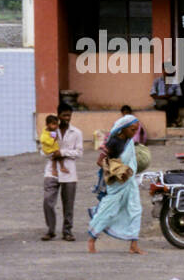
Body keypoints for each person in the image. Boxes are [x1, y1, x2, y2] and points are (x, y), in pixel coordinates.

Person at [87, 113, 144, 255]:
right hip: (117, 185)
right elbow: (100, 161)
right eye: (132, 129)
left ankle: (134, 245)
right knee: (108, 211)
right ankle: (92, 238)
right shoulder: (113, 143)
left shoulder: (129, 142)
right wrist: (116, 170)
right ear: (123, 128)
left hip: (130, 182)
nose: (134, 133)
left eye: (136, 130)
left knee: (135, 210)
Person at [42, 104, 82, 242]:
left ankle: (67, 231)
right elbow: (43, 150)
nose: (67, 118)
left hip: (69, 172)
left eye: (69, 115)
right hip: (51, 171)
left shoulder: (76, 132)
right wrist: (52, 153)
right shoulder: (52, 130)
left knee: (68, 204)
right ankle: (51, 230)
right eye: (64, 115)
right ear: (58, 115)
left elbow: (79, 152)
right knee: (48, 201)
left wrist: (63, 153)